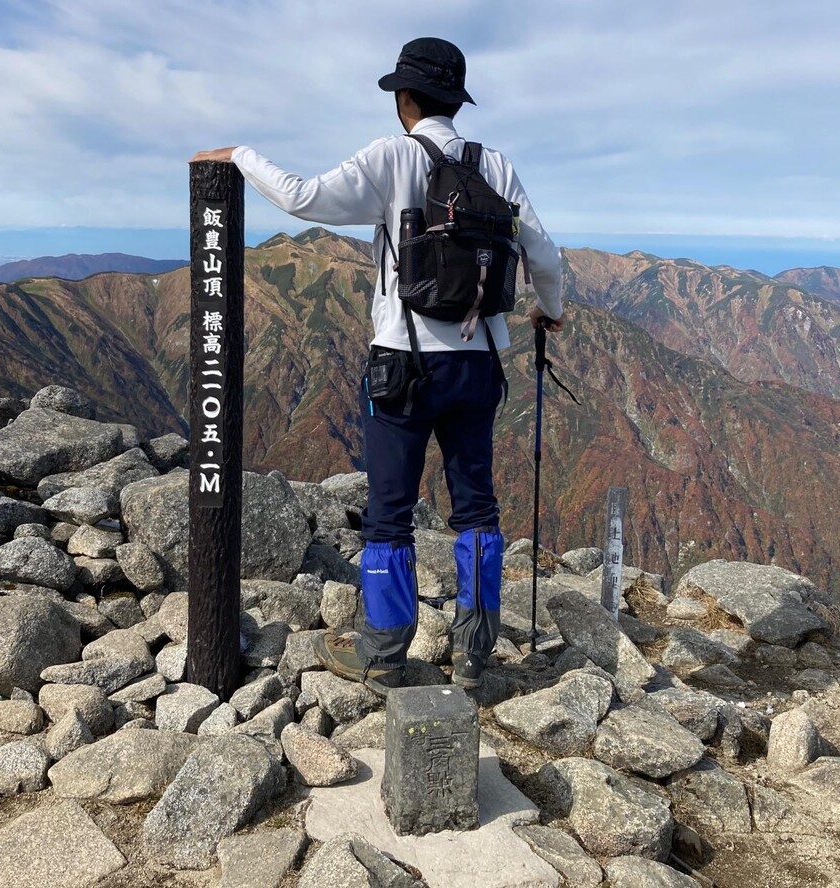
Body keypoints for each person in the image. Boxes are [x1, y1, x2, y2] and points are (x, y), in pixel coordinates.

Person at [191, 36, 564, 694]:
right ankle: (474, 651)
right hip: (479, 364)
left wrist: (241, 156)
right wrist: (549, 310)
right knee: (476, 507)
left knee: (391, 511)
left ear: (407, 100)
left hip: (404, 365)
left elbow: (304, 198)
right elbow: (544, 254)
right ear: (458, 99)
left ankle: (384, 652)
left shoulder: (393, 157)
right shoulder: (495, 166)